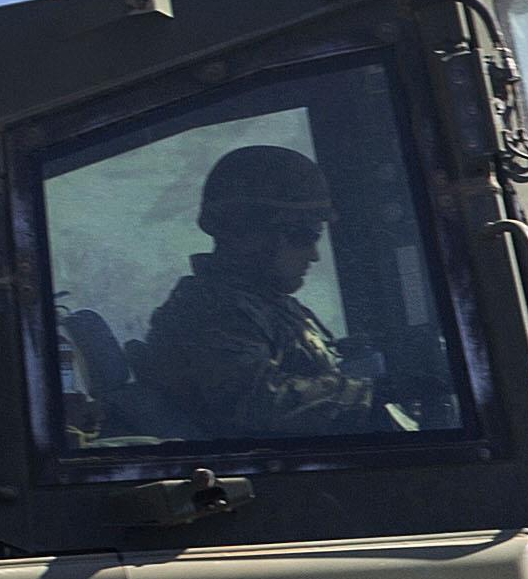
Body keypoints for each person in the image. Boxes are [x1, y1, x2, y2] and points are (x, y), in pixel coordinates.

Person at [134, 145, 381, 437]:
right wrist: (367, 395)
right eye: (303, 235)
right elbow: (257, 402)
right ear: (249, 233)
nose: (314, 255)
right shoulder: (210, 312)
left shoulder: (260, 302)